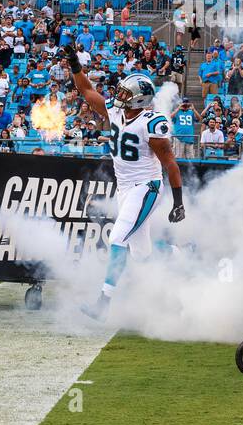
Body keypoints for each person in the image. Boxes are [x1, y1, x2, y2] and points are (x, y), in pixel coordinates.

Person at [62, 44, 185, 321]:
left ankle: (103, 303)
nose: (119, 96)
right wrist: (74, 64)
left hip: (147, 187)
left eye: (126, 94)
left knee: (117, 238)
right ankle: (176, 259)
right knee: (141, 255)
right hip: (126, 189)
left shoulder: (151, 124)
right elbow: (86, 90)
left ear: (140, 100)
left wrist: (178, 202)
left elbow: (170, 164)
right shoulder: (117, 112)